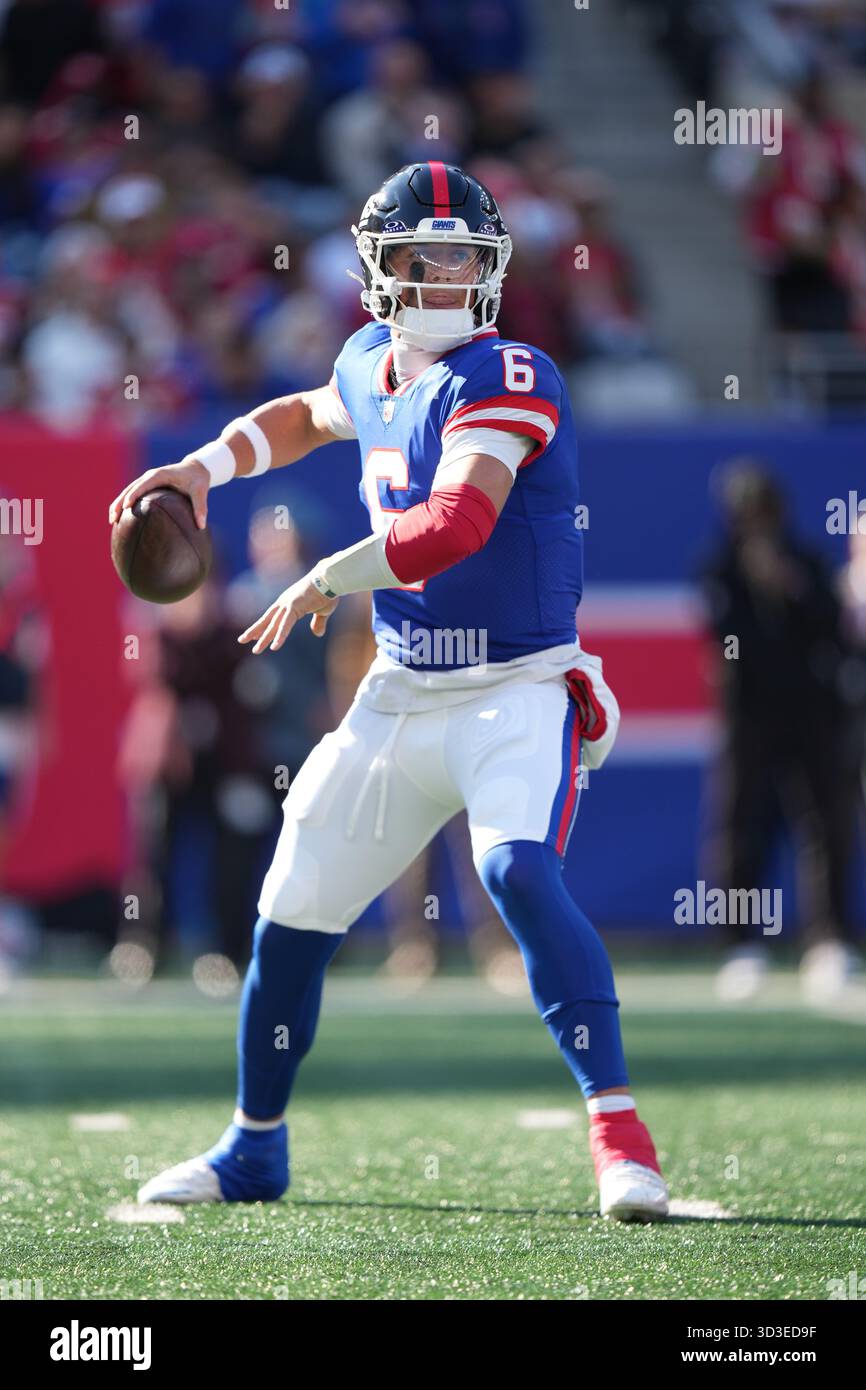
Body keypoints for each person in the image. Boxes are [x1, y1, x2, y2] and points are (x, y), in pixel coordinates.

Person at [109, 163, 668, 1222]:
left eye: (467, 256)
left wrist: (327, 575)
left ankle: (619, 1135)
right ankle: (253, 1147)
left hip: (515, 685)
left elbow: (456, 523)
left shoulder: (509, 371)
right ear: (378, 269)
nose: (450, 275)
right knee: (291, 908)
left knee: (513, 870)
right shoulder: (370, 358)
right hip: (402, 692)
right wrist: (197, 468)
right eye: (427, 256)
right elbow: (304, 417)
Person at [700, 461, 860, 1002]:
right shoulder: (719, 571)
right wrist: (756, 585)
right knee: (742, 829)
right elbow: (725, 638)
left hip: (813, 715)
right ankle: (742, 945)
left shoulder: (809, 562)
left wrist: (790, 588)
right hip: (748, 720)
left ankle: (828, 940)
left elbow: (832, 632)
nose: (756, 523)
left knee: (825, 824)